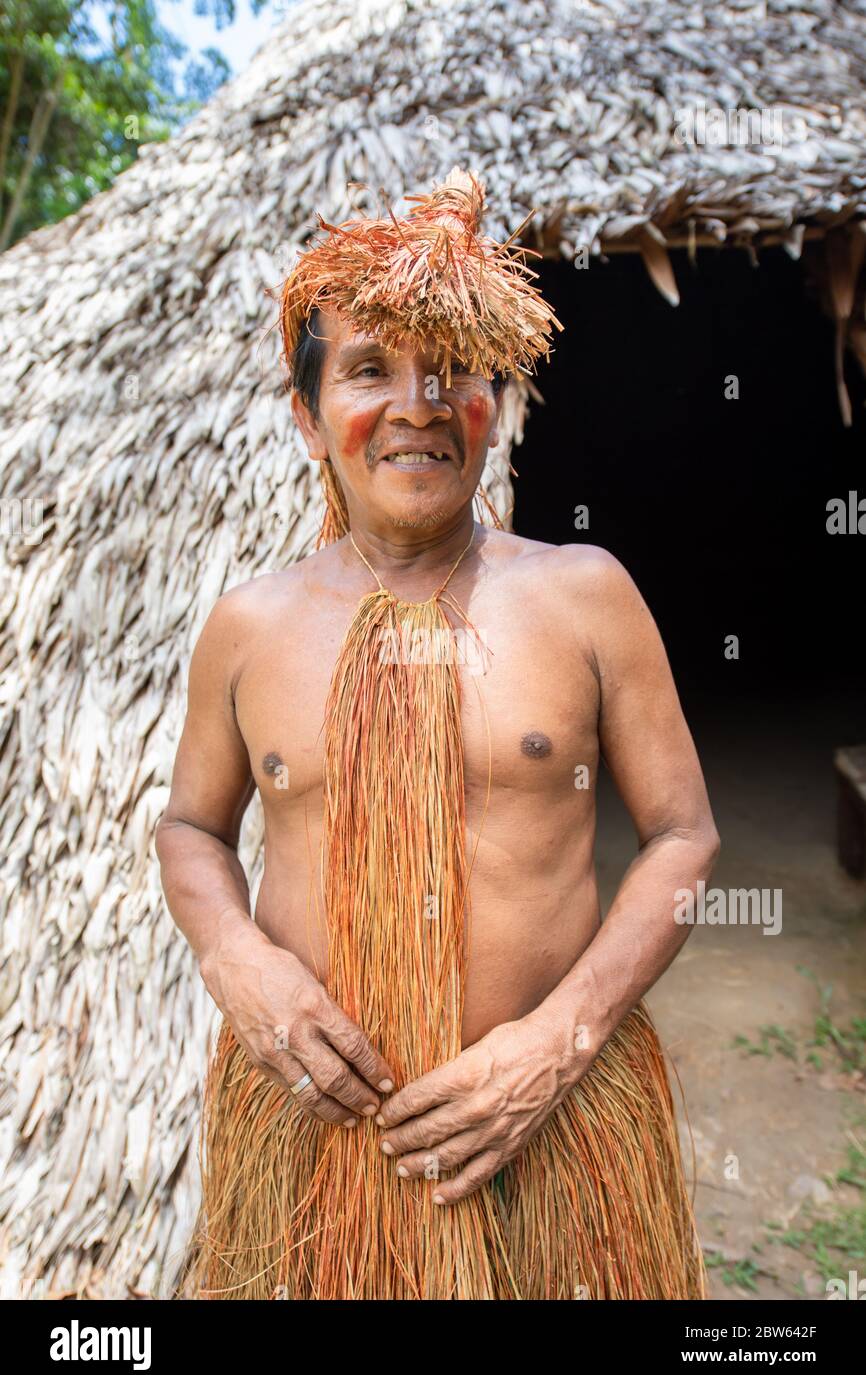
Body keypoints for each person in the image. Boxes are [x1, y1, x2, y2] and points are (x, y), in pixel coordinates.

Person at [156, 168, 719, 1300]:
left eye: (450, 371)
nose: (414, 403)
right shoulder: (247, 626)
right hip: (319, 1152)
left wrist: (557, 1043)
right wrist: (236, 961)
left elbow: (682, 838)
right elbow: (188, 830)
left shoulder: (582, 595)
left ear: (491, 405)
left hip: (554, 1130)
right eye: (369, 371)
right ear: (309, 417)